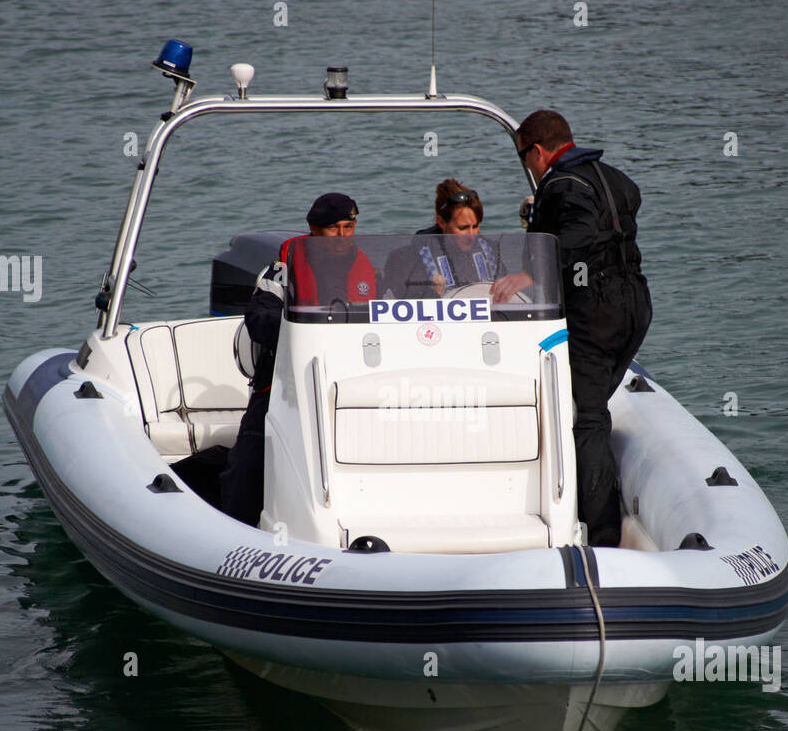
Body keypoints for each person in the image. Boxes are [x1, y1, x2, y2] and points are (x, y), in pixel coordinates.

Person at [515, 109, 652, 546]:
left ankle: (602, 535)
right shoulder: (611, 176)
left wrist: (529, 275)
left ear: (538, 151)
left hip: (597, 313)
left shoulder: (560, 184)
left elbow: (576, 235)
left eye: (525, 158)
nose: (529, 169)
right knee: (588, 405)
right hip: (637, 307)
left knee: (588, 418)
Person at [220, 192, 372, 525]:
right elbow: (259, 319)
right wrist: (305, 327)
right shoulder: (282, 269)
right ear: (313, 229)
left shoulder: (369, 268)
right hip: (283, 383)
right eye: (334, 228)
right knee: (249, 464)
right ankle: (232, 528)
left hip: (350, 382)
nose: (343, 237)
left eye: (349, 226)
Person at [384, 178, 531, 302]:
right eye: (463, 228)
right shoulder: (408, 259)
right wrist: (432, 292)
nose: (472, 234)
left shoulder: (490, 253)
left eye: (476, 226)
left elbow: (504, 298)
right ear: (441, 222)